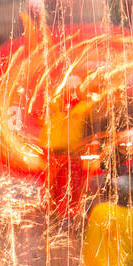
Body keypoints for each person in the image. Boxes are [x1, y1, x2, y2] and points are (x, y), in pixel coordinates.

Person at [39, 75, 93, 215]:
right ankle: (51, 208)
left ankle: (67, 209)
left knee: (69, 182)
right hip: (55, 149)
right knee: (54, 181)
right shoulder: (57, 105)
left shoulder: (82, 107)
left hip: (70, 150)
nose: (72, 92)